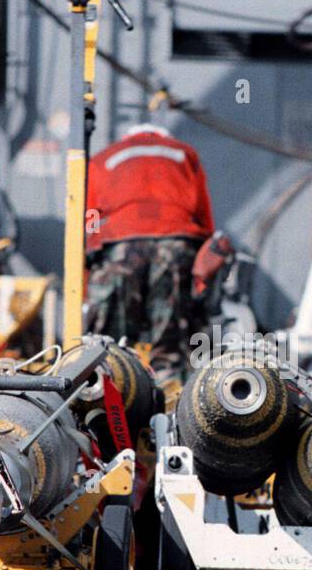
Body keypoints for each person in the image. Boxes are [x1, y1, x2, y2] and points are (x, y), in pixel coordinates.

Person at [84, 123, 216, 385]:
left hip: (121, 242)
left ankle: (110, 377)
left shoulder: (103, 157)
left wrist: (92, 247)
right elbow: (203, 214)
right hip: (176, 240)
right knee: (171, 325)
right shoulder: (185, 154)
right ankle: (168, 379)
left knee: (112, 339)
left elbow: (92, 214)